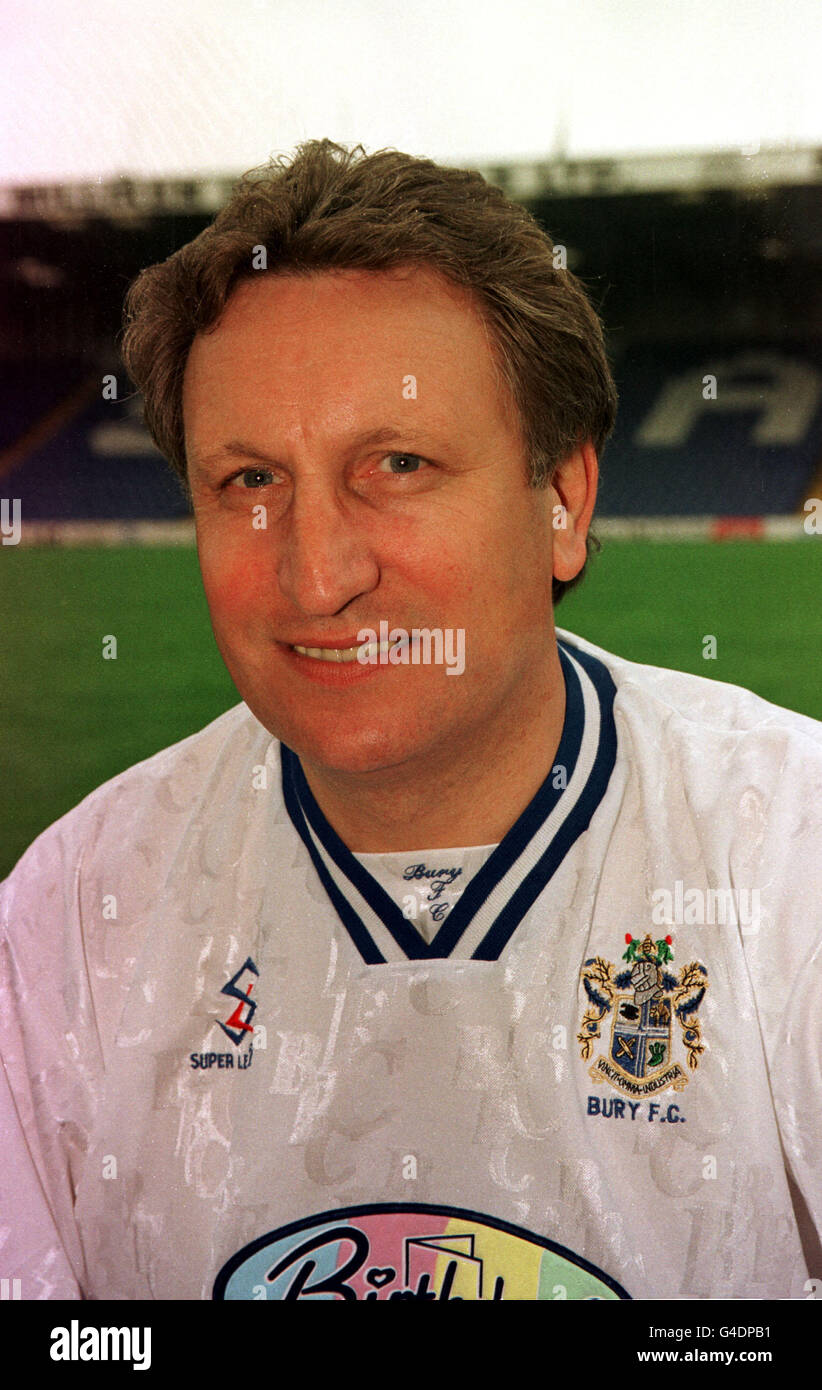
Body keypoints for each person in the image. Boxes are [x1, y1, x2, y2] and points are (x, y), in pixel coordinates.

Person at [1, 138, 820, 1302]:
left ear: (563, 502)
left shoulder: (790, 857)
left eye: (396, 461)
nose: (317, 574)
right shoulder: (72, 915)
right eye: (249, 481)